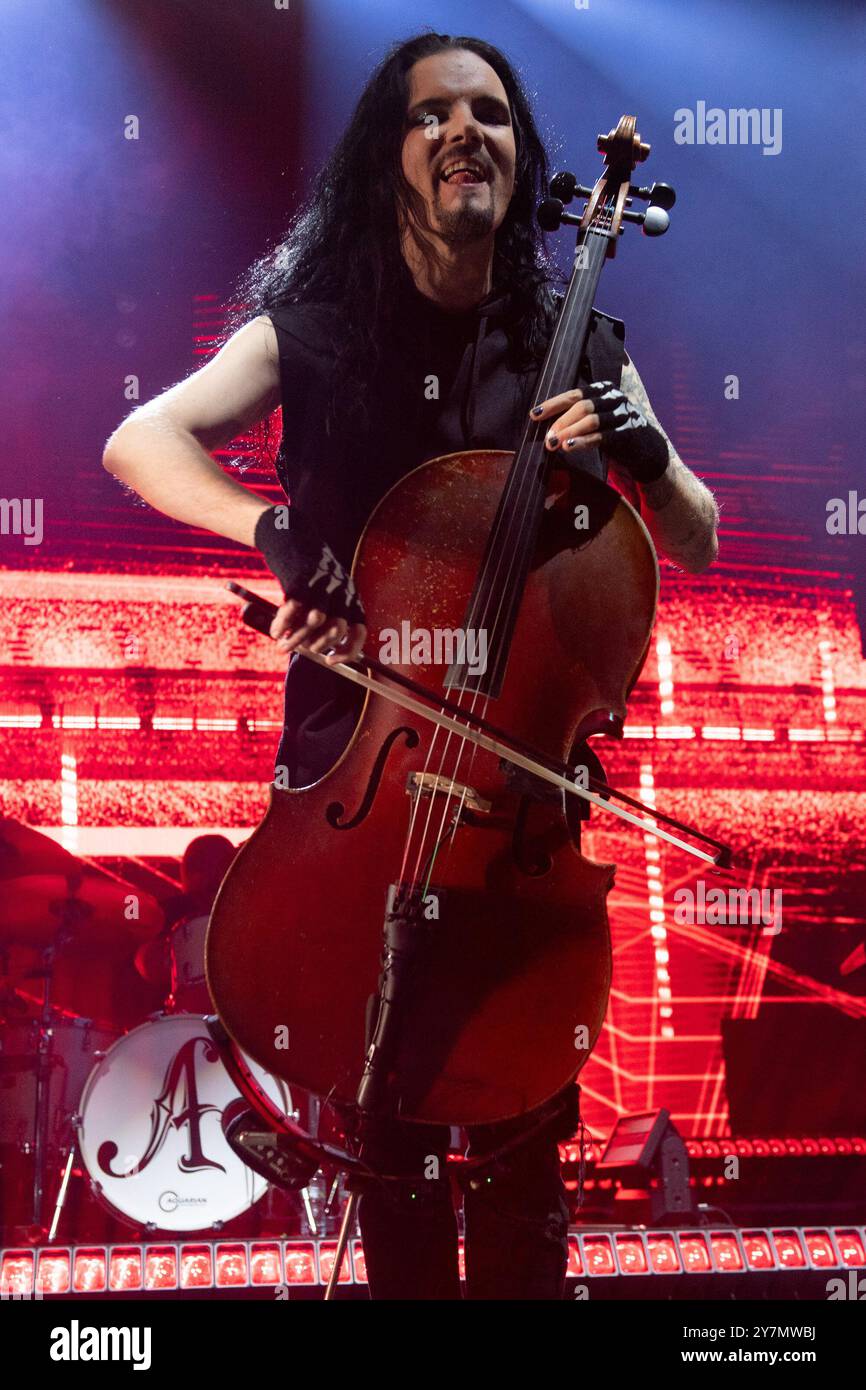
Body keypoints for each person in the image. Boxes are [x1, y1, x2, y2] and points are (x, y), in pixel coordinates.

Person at [103, 32, 719, 1299]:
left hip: (516, 816)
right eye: (430, 114)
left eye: (488, 114)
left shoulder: (577, 342)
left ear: (516, 153)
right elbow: (139, 439)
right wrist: (268, 529)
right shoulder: (314, 333)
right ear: (389, 156)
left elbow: (696, 542)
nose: (462, 132)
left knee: (515, 1172)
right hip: (356, 787)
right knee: (385, 1152)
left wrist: (642, 448)